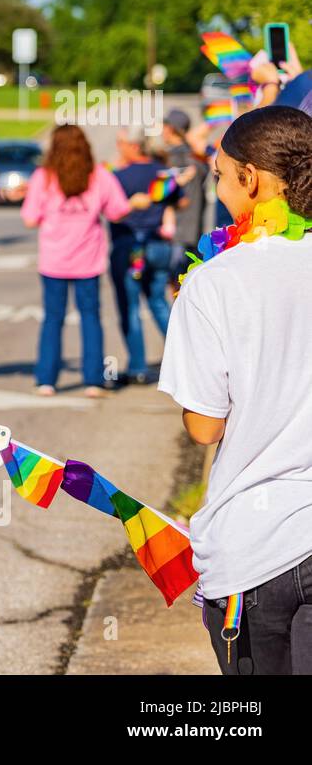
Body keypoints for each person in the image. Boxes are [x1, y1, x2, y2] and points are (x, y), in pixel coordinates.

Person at [158, 104, 312, 674]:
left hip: (258, 549)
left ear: (250, 178)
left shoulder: (215, 281)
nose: (218, 187)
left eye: (220, 176)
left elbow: (205, 427)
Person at [21, 123, 148, 397]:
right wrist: (135, 203)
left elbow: (29, 219)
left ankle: (47, 380)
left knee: (53, 319)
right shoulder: (98, 175)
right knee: (90, 317)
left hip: (54, 260)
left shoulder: (44, 177)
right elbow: (117, 212)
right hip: (88, 260)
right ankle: (93, 380)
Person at [108, 125, 175, 384]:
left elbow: (109, 207)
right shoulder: (161, 173)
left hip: (131, 246)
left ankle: (137, 366)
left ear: (133, 146)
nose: (118, 148)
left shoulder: (119, 176)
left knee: (131, 307)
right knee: (159, 302)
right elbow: (180, 201)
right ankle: (183, 360)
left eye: (121, 143)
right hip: (159, 244)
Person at [160, 109, 205, 283]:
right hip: (193, 229)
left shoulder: (176, 157)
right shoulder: (193, 155)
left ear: (171, 129)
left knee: (176, 282)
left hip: (178, 230)